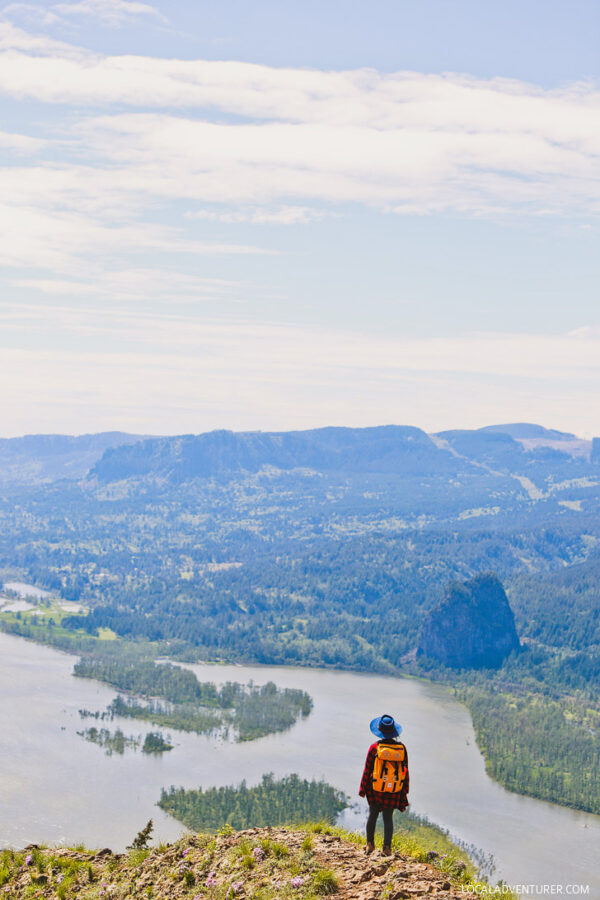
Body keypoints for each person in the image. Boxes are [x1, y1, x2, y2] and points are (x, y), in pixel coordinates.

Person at [358, 713, 409, 856]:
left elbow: (367, 770)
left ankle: (370, 845)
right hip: (393, 790)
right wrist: (404, 792)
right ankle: (387, 848)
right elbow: (405, 772)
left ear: (380, 731)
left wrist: (363, 789)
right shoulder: (401, 749)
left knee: (372, 814)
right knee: (388, 817)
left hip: (375, 788)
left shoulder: (374, 748)